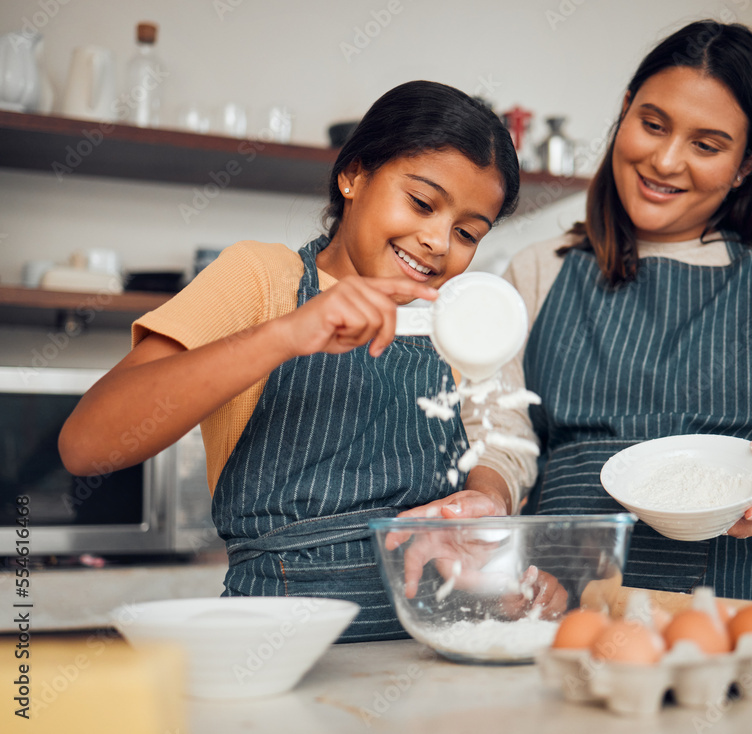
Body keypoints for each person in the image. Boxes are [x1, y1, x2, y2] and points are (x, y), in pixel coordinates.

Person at [58, 80, 524, 641]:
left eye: (467, 232)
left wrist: (487, 500)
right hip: (277, 645)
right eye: (422, 203)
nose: (437, 241)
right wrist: (286, 334)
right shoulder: (262, 280)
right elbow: (86, 445)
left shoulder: (459, 320)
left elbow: (496, 442)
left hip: (432, 644)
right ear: (353, 175)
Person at [470, 20, 752, 603]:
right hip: (570, 620)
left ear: (747, 164)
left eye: (706, 145)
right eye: (652, 125)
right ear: (625, 111)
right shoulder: (536, 270)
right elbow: (505, 446)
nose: (666, 161)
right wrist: (485, 503)